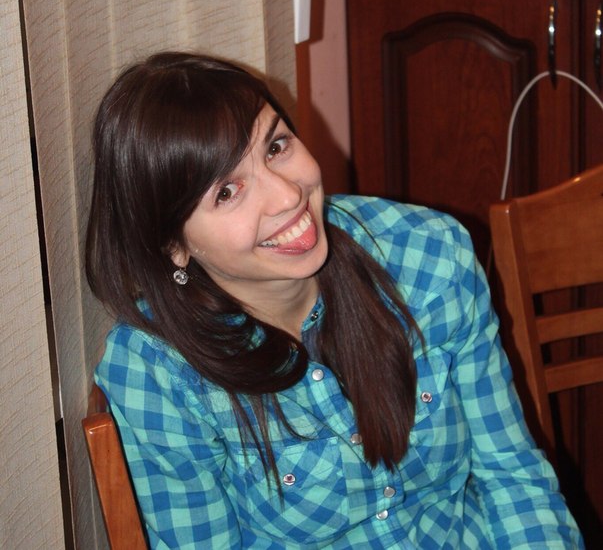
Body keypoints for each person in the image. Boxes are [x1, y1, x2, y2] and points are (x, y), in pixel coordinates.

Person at [86, 51, 583, 549]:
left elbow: (511, 474)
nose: (288, 196)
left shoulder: (428, 256)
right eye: (227, 192)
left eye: (276, 146)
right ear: (173, 245)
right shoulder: (158, 372)